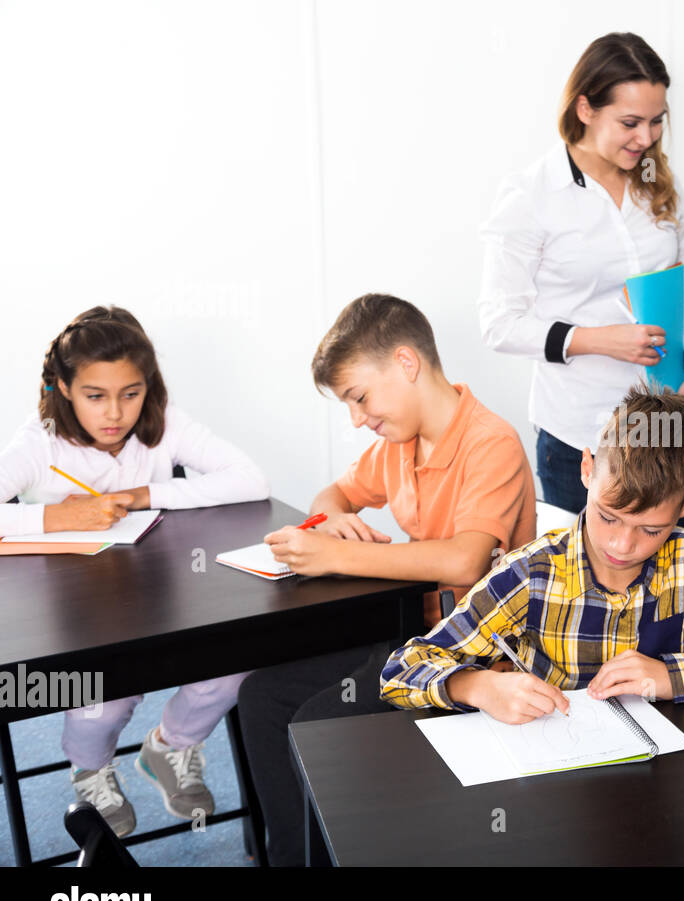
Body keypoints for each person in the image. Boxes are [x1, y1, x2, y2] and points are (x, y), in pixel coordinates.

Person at [237, 293, 535, 865]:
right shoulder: (399, 444)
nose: (357, 418)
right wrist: (336, 518)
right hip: (406, 637)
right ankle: (293, 858)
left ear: (406, 363)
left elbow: (463, 562)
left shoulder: (490, 443)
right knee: (261, 696)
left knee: (314, 725)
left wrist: (332, 555)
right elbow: (334, 494)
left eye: (359, 397)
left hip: (470, 655)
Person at [380, 384, 684, 718]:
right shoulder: (532, 575)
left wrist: (675, 677)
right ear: (586, 469)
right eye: (608, 517)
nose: (622, 544)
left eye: (650, 529)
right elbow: (402, 670)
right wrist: (476, 686)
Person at [0, 306, 269, 837]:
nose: (115, 413)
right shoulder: (40, 441)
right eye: (95, 395)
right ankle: (90, 769)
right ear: (62, 390)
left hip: (162, 592)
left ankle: (171, 746)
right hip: (75, 610)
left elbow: (251, 479)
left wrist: (146, 493)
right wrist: (59, 515)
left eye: (131, 392)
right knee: (105, 691)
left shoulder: (163, 424)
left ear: (149, 386)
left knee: (236, 661)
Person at [478, 32, 684, 514]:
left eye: (656, 122)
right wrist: (601, 339)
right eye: (629, 122)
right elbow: (498, 323)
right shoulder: (531, 196)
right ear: (585, 109)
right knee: (586, 587)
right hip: (581, 431)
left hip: (668, 425)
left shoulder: (659, 183)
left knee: (670, 584)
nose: (646, 138)